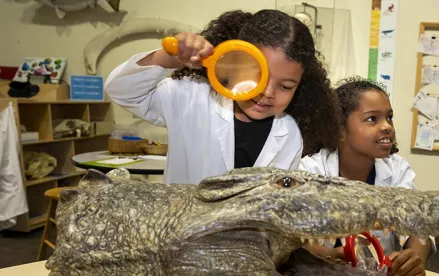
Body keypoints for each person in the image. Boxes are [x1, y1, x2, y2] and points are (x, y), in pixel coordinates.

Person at [104, 10, 340, 185]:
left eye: (285, 86)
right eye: (259, 76)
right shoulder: (190, 96)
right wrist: (170, 58)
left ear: (299, 86)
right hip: (182, 241)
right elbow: (120, 89)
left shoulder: (288, 135)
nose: (268, 93)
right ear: (236, 60)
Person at [299, 77, 436, 276]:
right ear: (340, 129)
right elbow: (291, 241)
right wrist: (329, 256)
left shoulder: (397, 170)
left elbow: (420, 229)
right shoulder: (309, 171)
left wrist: (414, 258)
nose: (387, 126)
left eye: (389, 117)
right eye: (372, 119)